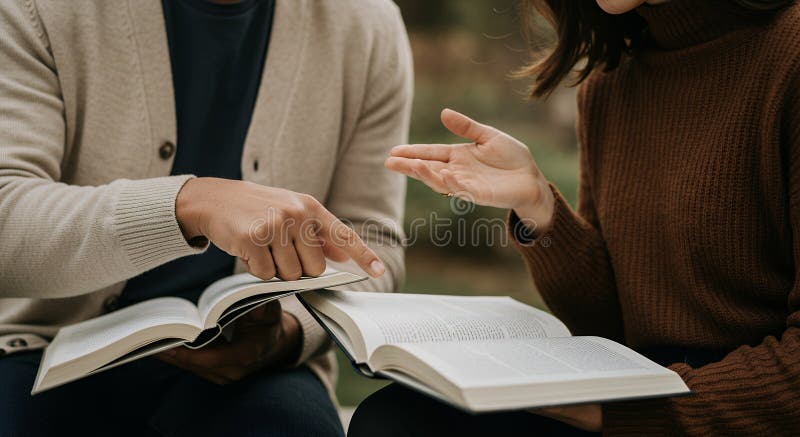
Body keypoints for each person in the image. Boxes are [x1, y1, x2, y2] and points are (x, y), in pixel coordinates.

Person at [350, 0, 800, 435]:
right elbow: (606, 326)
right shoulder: (610, 83)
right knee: (396, 420)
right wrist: (539, 207)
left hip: (731, 404)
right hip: (640, 389)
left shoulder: (789, 53)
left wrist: (637, 412)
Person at [0, 0, 412, 435]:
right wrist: (189, 205)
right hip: (44, 349)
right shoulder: (35, 9)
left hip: (257, 373)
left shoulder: (368, 23)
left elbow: (371, 244)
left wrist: (289, 330)